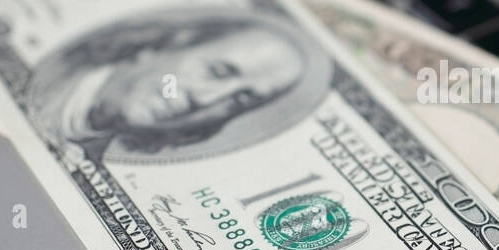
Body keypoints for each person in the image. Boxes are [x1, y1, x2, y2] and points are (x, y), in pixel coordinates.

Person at [26, 14, 303, 162]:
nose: (207, 99)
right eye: (218, 72)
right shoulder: (45, 80)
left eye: (240, 99)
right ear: (163, 46)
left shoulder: (91, 156)